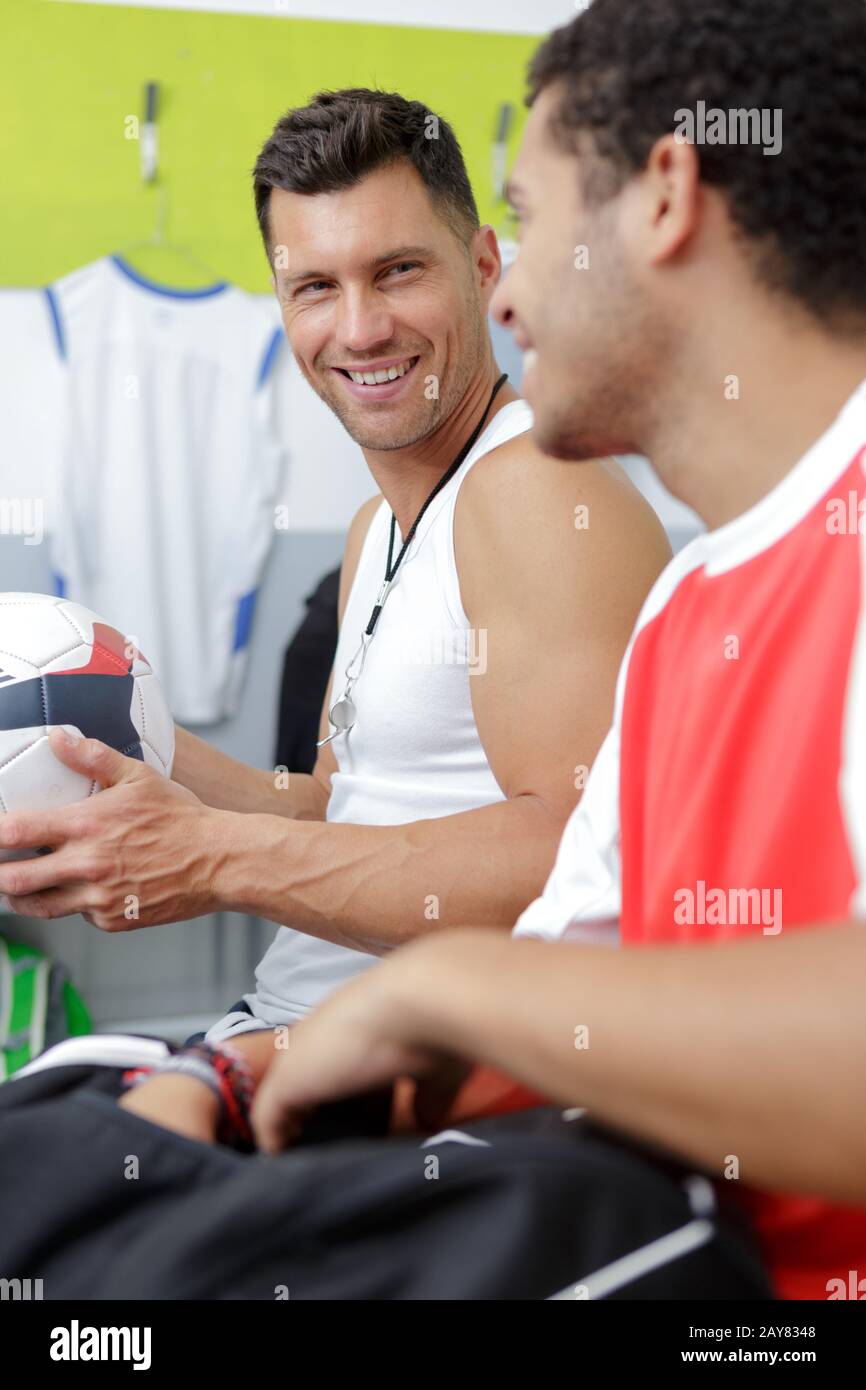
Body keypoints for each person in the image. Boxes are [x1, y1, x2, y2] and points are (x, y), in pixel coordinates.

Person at [237, 0, 866, 1302]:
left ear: (661, 199)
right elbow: (575, 987)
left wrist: (448, 986)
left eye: (522, 220)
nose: (504, 286)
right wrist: (249, 1072)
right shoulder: (691, 602)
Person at [0, 96, 668, 1040]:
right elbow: (336, 805)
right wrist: (95, 718)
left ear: (483, 267)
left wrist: (210, 859)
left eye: (397, 272)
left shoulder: (535, 491)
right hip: (281, 1029)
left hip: (409, 1087)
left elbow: (580, 847)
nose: (359, 330)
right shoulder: (374, 529)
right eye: (315, 287)